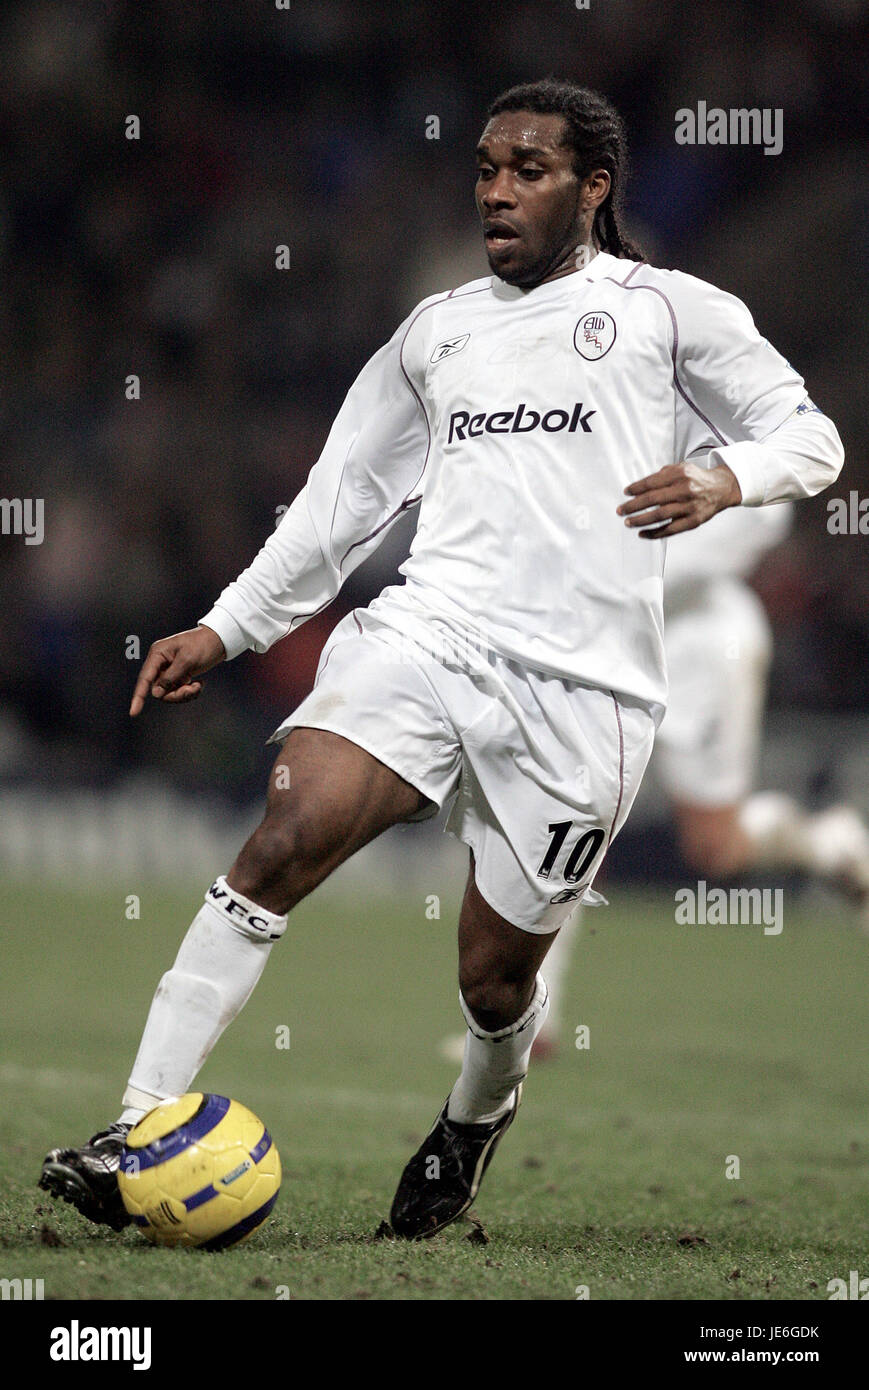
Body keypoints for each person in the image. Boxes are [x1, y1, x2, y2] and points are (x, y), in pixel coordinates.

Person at [40, 79, 844, 1240]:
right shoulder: (436, 331)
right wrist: (228, 626)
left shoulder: (671, 313)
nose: (497, 191)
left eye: (527, 169)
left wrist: (725, 476)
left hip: (586, 693)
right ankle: (137, 1123)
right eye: (484, 168)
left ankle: (477, 1110)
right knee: (280, 839)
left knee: (494, 983)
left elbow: (808, 435)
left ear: (594, 186)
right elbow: (336, 507)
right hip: (428, 639)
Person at [503, 503, 869, 1061]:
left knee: (714, 849)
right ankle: (532, 1017)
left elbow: (763, 511)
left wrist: (610, 580)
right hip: (601, 646)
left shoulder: (717, 424)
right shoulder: (594, 421)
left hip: (699, 641)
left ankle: (830, 844)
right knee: (564, 809)